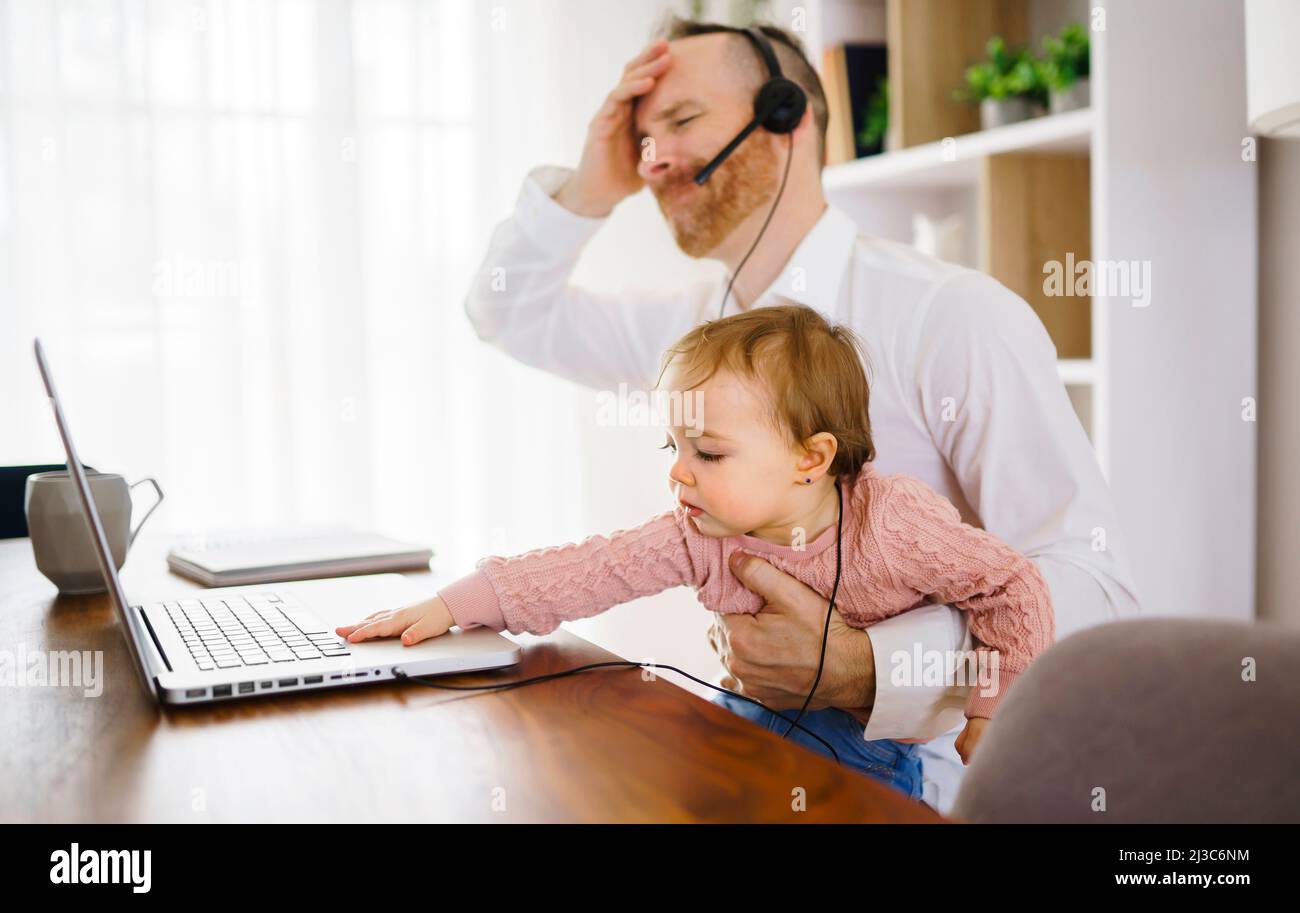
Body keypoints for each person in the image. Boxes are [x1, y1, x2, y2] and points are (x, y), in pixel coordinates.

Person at [446, 17, 1139, 814]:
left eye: (680, 122)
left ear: (787, 120)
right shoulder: (683, 336)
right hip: (744, 763)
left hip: (934, 796)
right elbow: (503, 313)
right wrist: (591, 186)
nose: (655, 156)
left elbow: (1101, 589)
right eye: (641, 137)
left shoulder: (954, 316)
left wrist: (870, 663)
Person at [338, 305, 1056, 802]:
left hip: (874, 755)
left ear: (812, 457)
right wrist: (446, 605)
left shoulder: (892, 522)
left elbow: (1011, 584)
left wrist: (992, 712)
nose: (679, 471)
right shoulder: (699, 528)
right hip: (742, 718)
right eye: (672, 447)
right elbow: (586, 569)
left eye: (707, 452)